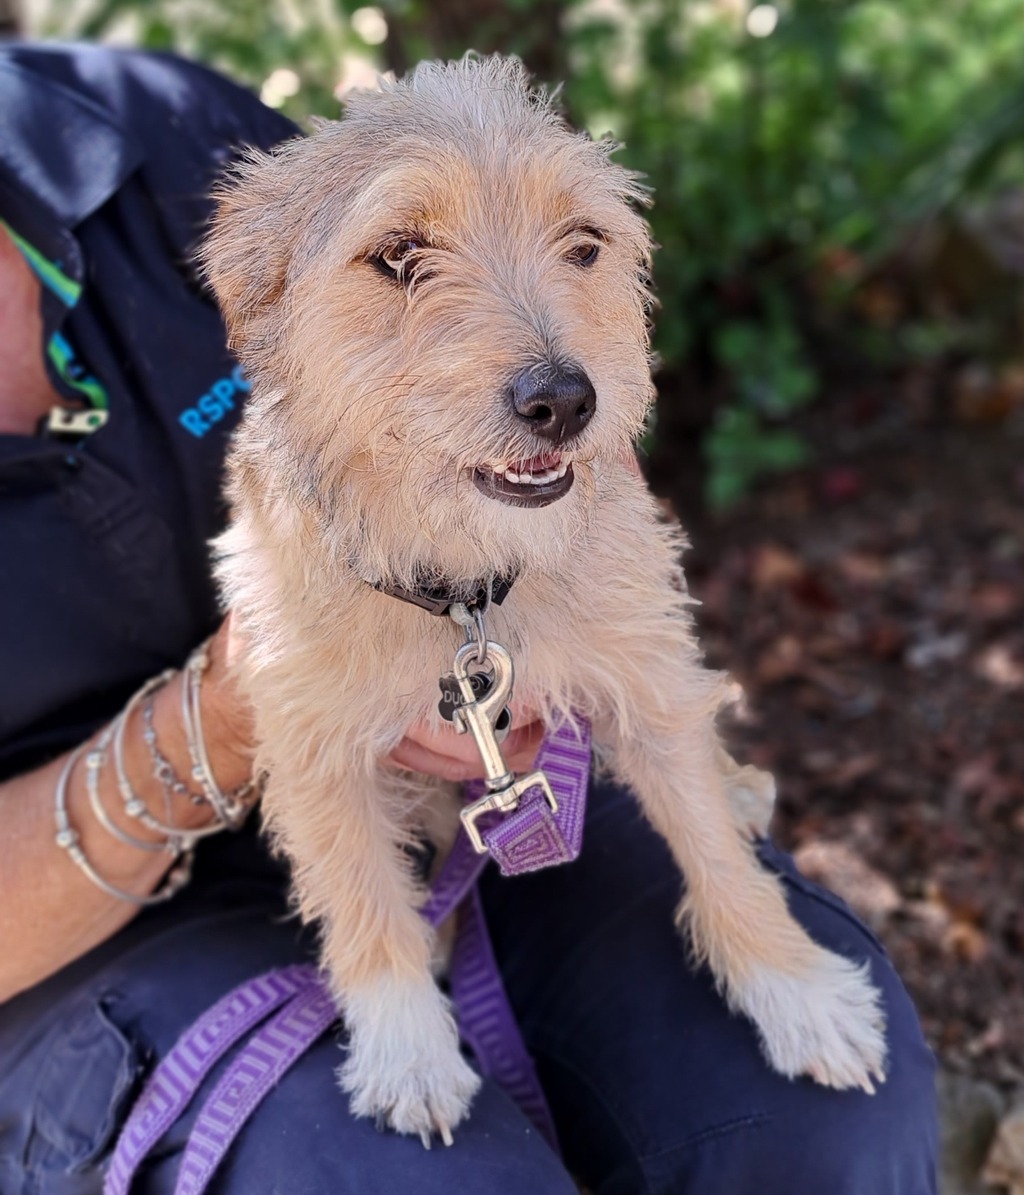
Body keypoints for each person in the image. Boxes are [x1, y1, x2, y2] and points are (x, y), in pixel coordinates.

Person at [0, 40, 938, 1195]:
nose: (536, 354)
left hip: (503, 795)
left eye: (585, 242)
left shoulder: (142, 122)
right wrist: (234, 716)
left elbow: (635, 631)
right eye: (403, 257)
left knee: (814, 1122)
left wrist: (573, 522)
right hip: (64, 952)